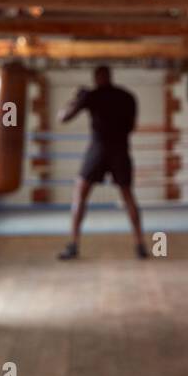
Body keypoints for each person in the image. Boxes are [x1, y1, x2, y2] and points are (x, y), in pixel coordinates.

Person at [57, 65, 148, 260]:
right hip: (120, 149)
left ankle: (73, 244)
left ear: (97, 78)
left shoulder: (92, 95)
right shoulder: (127, 96)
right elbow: (132, 127)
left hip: (98, 149)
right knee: (127, 195)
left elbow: (62, 117)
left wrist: (77, 98)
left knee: (80, 193)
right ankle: (140, 244)